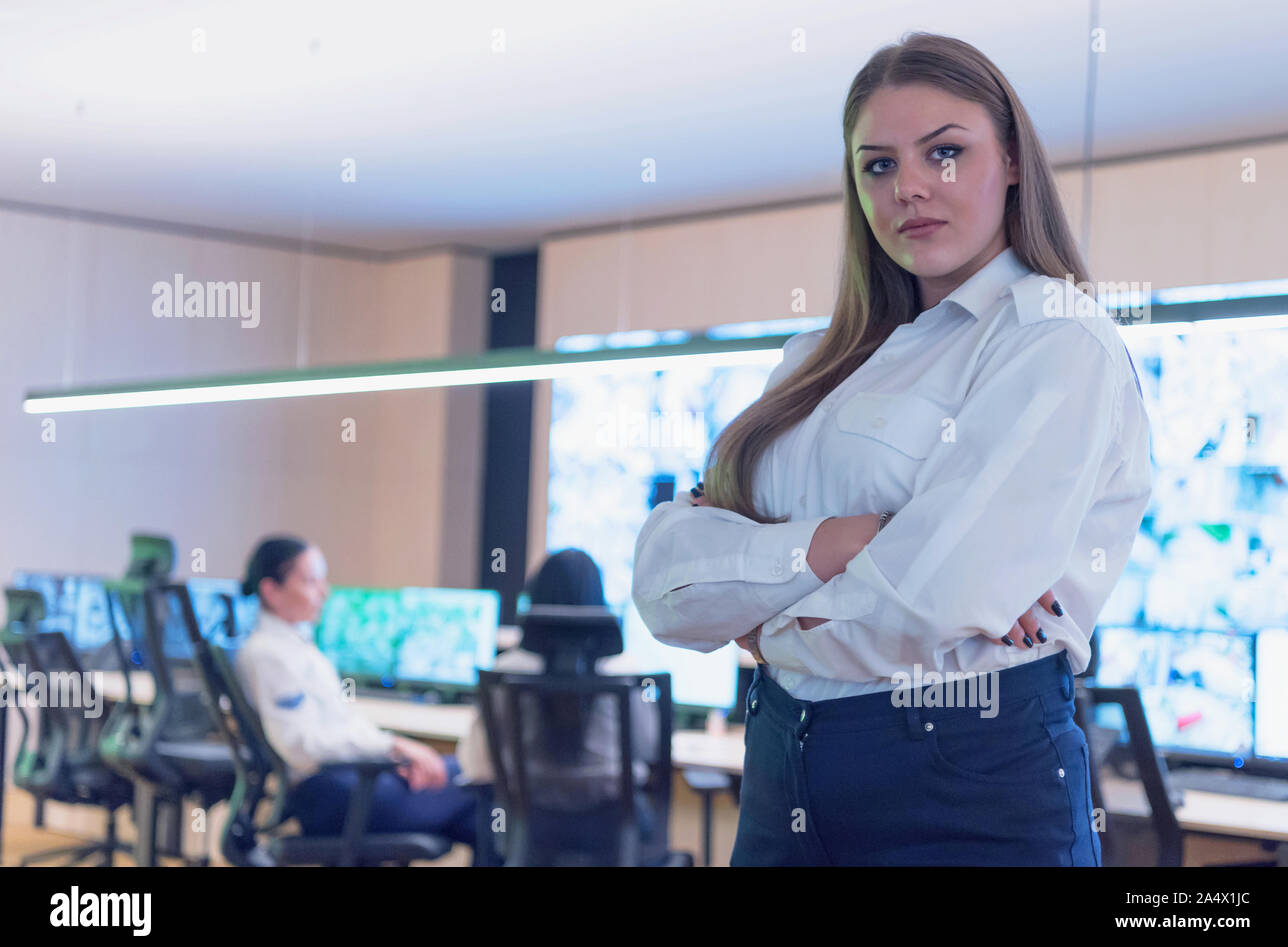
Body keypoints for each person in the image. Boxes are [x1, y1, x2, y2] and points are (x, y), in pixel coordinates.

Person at [632, 32, 1152, 866]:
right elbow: (666, 579)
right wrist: (850, 542)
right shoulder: (811, 360)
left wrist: (762, 620)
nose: (909, 186)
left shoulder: (1054, 337)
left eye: (945, 152)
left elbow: (931, 595)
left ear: (1013, 161)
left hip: (964, 774)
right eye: (877, 165)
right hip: (781, 762)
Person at [234, 535, 476, 847]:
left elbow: (342, 723)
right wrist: (391, 747)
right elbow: (299, 743)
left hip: (350, 781)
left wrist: (394, 752)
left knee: (477, 814)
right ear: (271, 590)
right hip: (330, 794)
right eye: (310, 581)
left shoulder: (297, 647)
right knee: (479, 781)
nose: (325, 591)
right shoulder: (268, 654)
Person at [457, 548, 662, 858]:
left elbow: (477, 764)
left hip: (526, 829)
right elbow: (649, 748)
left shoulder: (506, 671)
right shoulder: (626, 672)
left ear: (535, 597)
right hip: (613, 830)